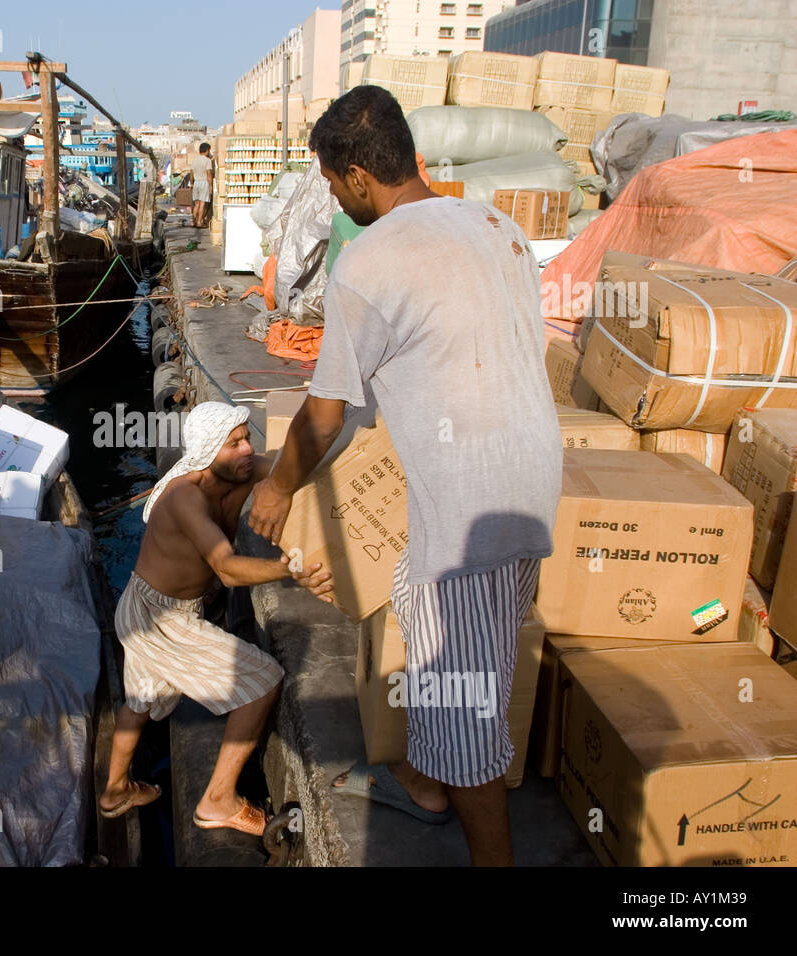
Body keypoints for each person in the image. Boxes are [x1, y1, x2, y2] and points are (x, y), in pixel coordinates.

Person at [249, 86, 562, 866]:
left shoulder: (372, 261)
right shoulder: (496, 225)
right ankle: (422, 782)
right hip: (528, 490)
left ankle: (490, 853)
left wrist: (278, 485)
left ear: (358, 176)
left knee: (465, 709)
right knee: (444, 636)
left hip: (467, 517)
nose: (331, 198)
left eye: (328, 183)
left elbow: (323, 416)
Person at [99, 402, 332, 836]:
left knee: (141, 700)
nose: (248, 449)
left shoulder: (242, 471)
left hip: (162, 607)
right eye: (235, 443)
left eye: (247, 438)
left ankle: (114, 792)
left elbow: (291, 467)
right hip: (157, 616)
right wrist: (291, 568)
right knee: (261, 683)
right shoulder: (187, 496)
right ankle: (217, 801)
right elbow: (226, 568)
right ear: (208, 452)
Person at [190, 143, 214, 228]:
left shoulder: (195, 160)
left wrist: (191, 182)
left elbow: (191, 173)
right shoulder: (207, 161)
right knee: (202, 203)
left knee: (196, 204)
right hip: (204, 182)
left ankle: (193, 221)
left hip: (196, 182)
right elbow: (209, 174)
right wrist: (211, 186)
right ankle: (199, 222)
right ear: (207, 150)